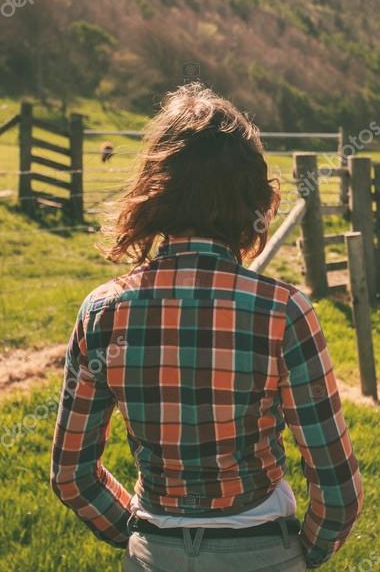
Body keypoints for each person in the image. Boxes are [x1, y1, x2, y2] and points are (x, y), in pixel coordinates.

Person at [50, 83, 362, 570]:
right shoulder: (284, 312)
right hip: (263, 549)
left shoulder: (102, 312)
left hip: (155, 551)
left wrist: (141, 533)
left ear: (154, 190)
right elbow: (337, 488)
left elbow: (71, 475)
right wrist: (304, 552)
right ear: (254, 199)